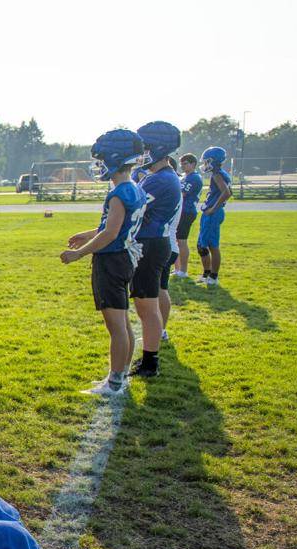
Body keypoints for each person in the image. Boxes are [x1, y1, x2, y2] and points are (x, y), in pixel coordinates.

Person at [59, 129, 147, 397]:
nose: (99, 165)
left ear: (114, 159)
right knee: (123, 322)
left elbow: (110, 233)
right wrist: (88, 235)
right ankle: (120, 376)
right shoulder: (134, 188)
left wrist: (79, 253)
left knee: (116, 326)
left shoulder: (119, 193)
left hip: (111, 260)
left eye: (102, 160)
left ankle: (114, 382)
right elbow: (114, 228)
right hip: (124, 257)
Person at [129, 121, 182, 369]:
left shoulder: (159, 180)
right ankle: (150, 357)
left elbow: (130, 211)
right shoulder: (163, 176)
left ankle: (150, 362)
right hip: (157, 241)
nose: (143, 154)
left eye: (147, 148)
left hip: (150, 244)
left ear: (159, 148)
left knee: (146, 307)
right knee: (149, 304)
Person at [196, 146, 231, 286]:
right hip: (214, 212)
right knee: (203, 245)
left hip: (213, 213)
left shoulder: (217, 174)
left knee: (210, 246)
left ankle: (213, 276)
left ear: (213, 160)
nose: (205, 164)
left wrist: (213, 208)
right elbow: (229, 191)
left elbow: (226, 193)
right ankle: (207, 274)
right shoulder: (221, 173)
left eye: (207, 161)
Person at [174, 153, 201, 279]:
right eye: (181, 164)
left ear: (193, 164)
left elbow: (181, 193)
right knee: (176, 241)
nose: (182, 166)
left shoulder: (194, 178)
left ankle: (183, 270)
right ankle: (178, 268)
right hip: (181, 211)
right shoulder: (185, 177)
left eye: (185, 164)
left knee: (182, 241)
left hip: (187, 212)